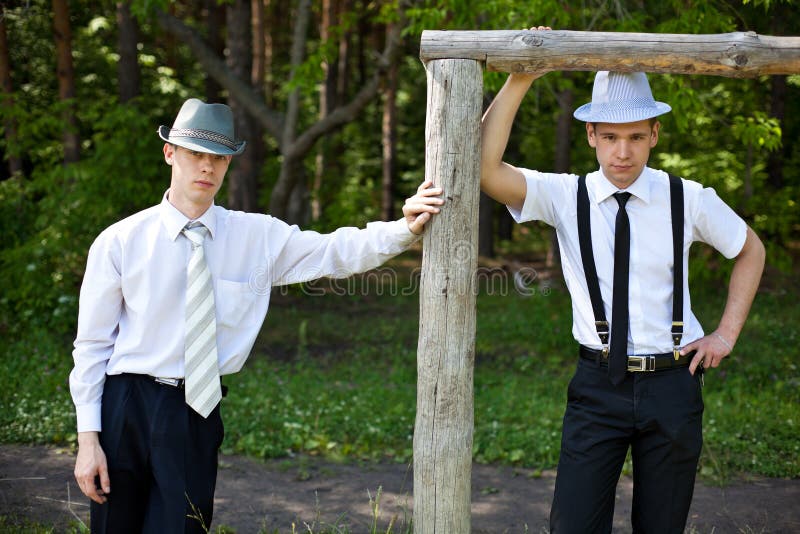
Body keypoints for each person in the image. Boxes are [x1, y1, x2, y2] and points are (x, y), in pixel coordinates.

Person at [70, 98, 445, 533]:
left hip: (195, 409)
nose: (207, 168)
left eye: (218, 158)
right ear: (170, 153)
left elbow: (333, 251)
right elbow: (93, 345)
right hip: (125, 406)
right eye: (196, 155)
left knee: (184, 527)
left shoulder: (256, 236)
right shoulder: (121, 241)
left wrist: (404, 228)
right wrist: (88, 441)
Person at [481, 66, 765, 533]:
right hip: (597, 388)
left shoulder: (685, 198)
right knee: (572, 525)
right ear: (590, 134)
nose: (623, 152)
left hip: (673, 383)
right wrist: (521, 79)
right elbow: (486, 170)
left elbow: (751, 249)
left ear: (654, 133)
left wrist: (725, 334)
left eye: (635, 136)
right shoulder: (564, 195)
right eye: (610, 136)